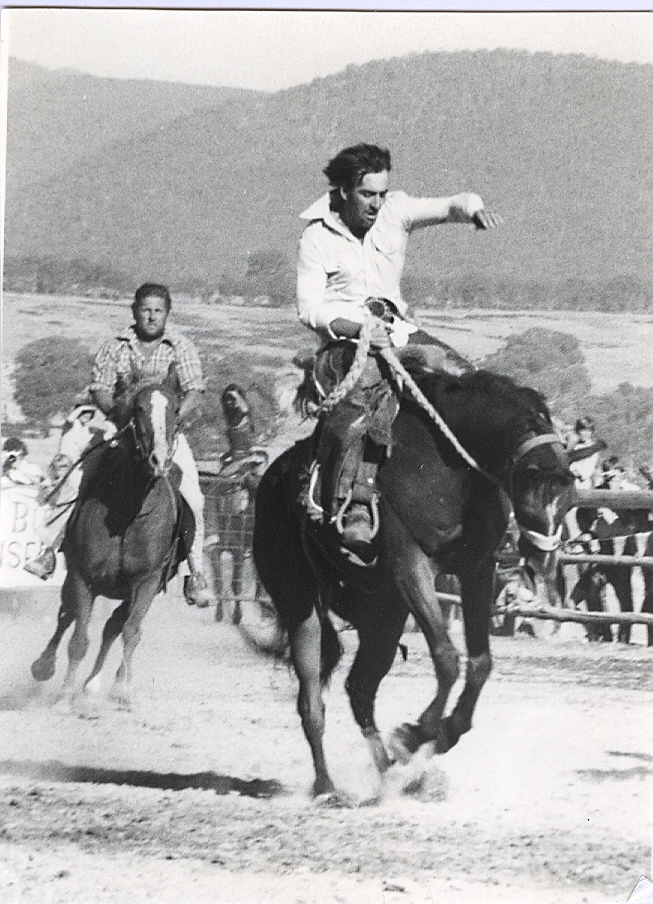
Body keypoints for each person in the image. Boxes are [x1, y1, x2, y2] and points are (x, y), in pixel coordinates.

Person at [296, 142, 500, 557]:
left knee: (466, 382)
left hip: (402, 334)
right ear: (342, 192)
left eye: (381, 193)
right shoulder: (315, 237)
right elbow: (309, 309)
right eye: (367, 194)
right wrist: (358, 329)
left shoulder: (398, 210)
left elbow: (453, 204)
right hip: (346, 347)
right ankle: (355, 502)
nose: (376, 204)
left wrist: (475, 210)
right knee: (364, 406)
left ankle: (490, 496)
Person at [25, 283, 213, 607]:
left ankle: (195, 574)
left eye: (158, 310)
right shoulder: (115, 346)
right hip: (121, 425)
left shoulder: (180, 346)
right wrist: (123, 412)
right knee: (77, 479)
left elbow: (194, 389)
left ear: (167, 314)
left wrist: (172, 416)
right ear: (134, 311)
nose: (151, 316)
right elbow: (100, 389)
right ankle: (47, 550)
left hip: (166, 430)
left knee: (193, 496)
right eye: (145, 309)